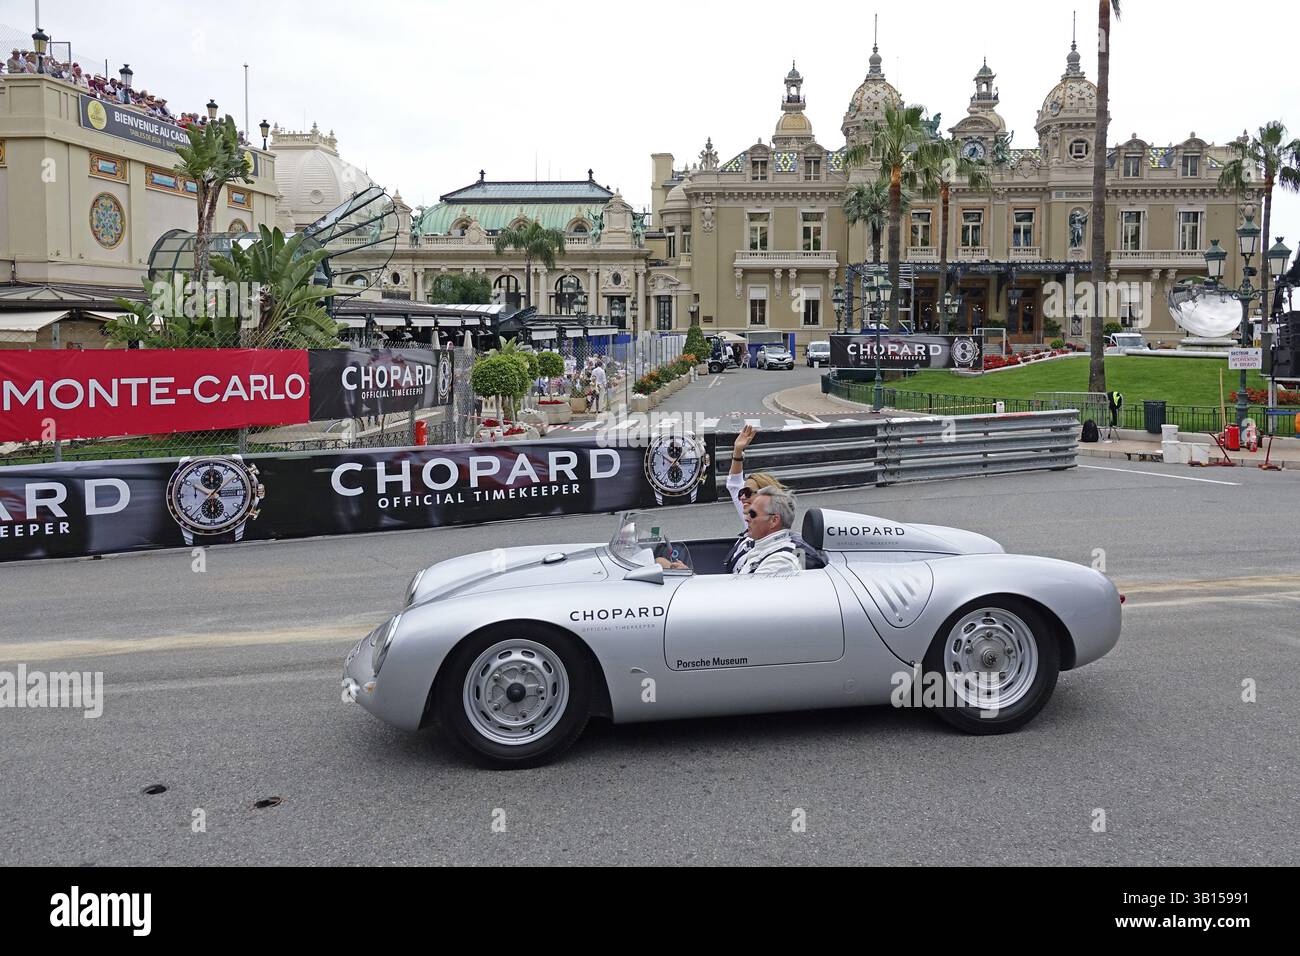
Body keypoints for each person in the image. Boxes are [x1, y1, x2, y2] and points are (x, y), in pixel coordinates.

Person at [723, 425, 817, 572]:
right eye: (742, 491)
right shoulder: (756, 523)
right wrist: (737, 451)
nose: (741, 497)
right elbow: (734, 485)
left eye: (748, 492)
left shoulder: (780, 558)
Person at [734, 488, 802, 575]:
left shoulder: (780, 562)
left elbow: (748, 588)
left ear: (774, 521)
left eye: (752, 514)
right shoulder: (759, 548)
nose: (747, 518)